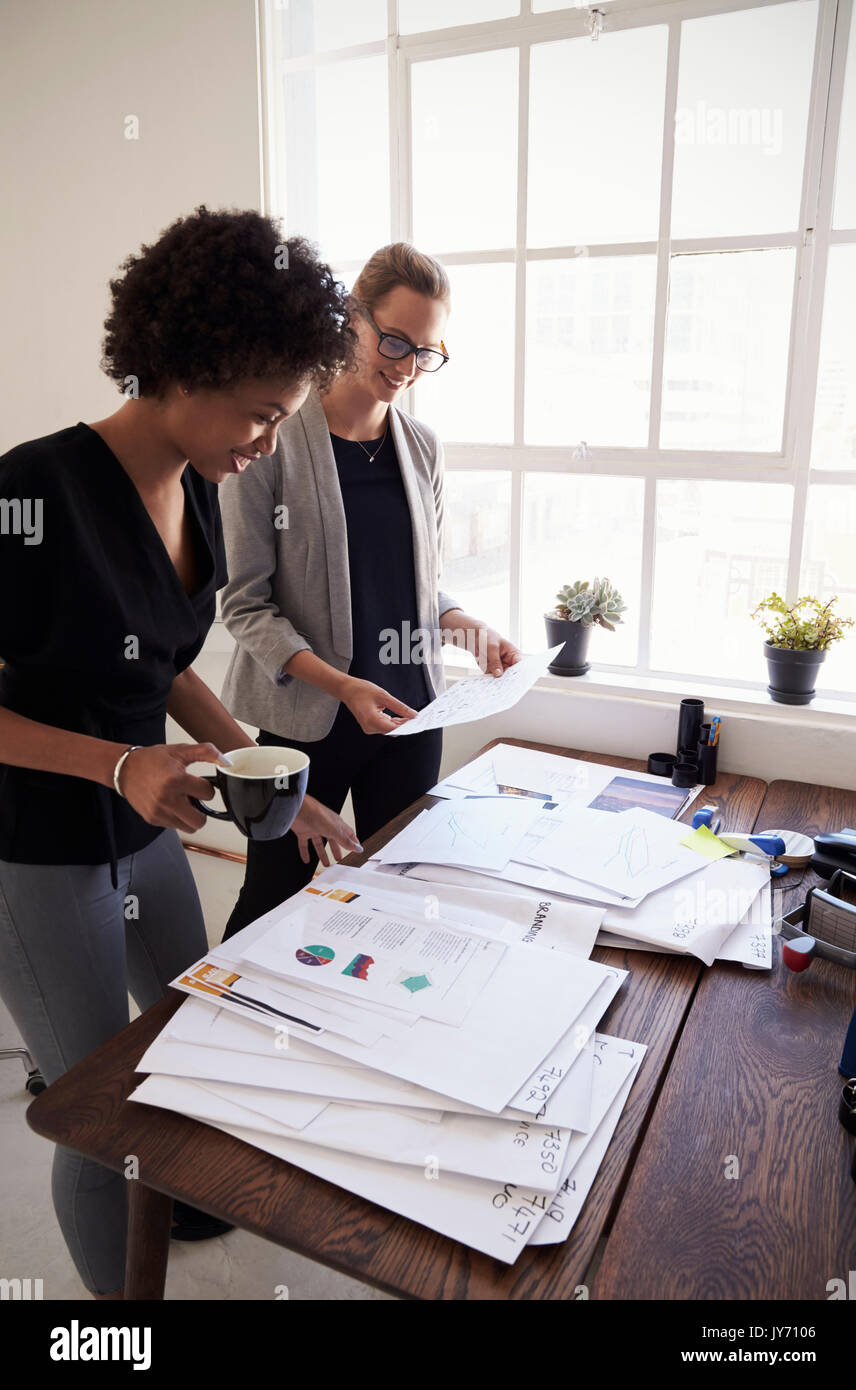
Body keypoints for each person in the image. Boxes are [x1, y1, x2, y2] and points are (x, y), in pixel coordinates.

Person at [0, 206, 362, 1299]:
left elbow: (157, 663)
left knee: (191, 1047)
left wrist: (268, 774)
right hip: (43, 852)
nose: (263, 443)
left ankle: (163, 1238)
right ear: (187, 366)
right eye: (258, 415)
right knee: (95, 1106)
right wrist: (118, 765)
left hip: (147, 833)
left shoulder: (199, 491)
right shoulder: (35, 490)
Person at [219, 242, 521, 941]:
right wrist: (343, 686)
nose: (406, 366)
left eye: (425, 351)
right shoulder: (272, 438)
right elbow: (244, 605)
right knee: (270, 906)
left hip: (410, 721)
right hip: (307, 730)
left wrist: (470, 629)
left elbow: (420, 587)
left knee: (401, 906)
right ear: (351, 319)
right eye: (393, 340)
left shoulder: (423, 448)